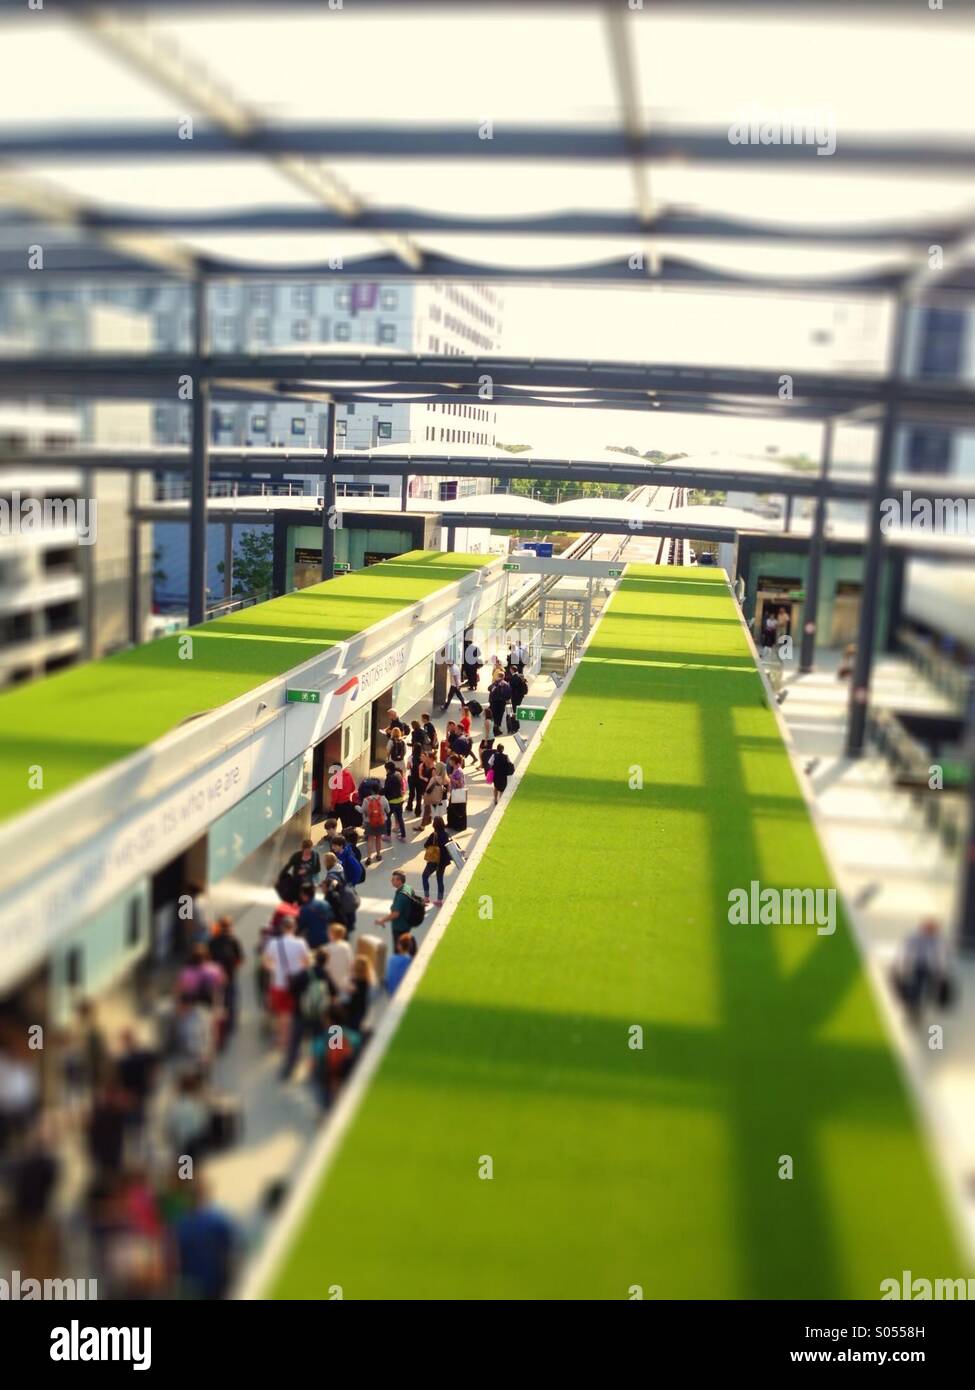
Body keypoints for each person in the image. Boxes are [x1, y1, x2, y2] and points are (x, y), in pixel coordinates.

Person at [262, 917, 311, 1050]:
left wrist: (275, 969)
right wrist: (297, 968)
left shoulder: (273, 943)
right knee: (289, 1012)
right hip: (295, 982)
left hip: (278, 982)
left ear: (282, 928)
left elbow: (265, 963)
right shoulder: (300, 943)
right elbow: (307, 962)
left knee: (281, 1013)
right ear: (294, 928)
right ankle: (288, 1038)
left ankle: (281, 1039)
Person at [896, 919, 952, 1023]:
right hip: (917, 965)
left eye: (934, 930)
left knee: (929, 989)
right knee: (915, 987)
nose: (932, 932)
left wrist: (942, 971)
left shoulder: (938, 940)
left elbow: (941, 955)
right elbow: (905, 951)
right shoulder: (913, 937)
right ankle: (913, 1008)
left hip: (932, 967)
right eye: (930, 929)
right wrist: (903, 966)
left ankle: (922, 1005)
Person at [208, 917, 244, 1039]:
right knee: (230, 1001)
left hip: (214, 978)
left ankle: (215, 1025)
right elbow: (240, 959)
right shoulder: (233, 941)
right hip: (230, 976)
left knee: (216, 1001)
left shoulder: (212, 941)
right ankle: (230, 1024)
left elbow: (208, 959)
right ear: (229, 928)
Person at [376, 870, 416, 950]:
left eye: (393, 879)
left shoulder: (401, 896)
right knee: (405, 946)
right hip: (407, 924)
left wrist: (382, 920)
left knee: (399, 949)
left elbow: (395, 914)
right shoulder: (408, 888)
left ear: (399, 881)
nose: (391, 880)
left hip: (400, 927)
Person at [422, 815, 452, 906]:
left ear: (434, 825)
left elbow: (426, 845)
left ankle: (426, 897)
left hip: (433, 860)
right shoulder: (446, 835)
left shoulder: (433, 835)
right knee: (440, 879)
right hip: (443, 862)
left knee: (425, 876)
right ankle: (439, 900)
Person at [297, 883, 332, 950]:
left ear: (304, 895)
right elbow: (331, 918)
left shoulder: (305, 909)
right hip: (326, 938)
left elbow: (300, 926)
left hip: (312, 941)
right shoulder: (325, 904)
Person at [323, 871, 359, 936]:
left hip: (342, 917)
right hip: (351, 909)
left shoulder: (332, 896)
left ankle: (346, 932)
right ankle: (349, 928)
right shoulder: (346, 887)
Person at [362, 785, 391, 863]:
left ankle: (369, 857)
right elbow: (388, 811)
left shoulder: (366, 800)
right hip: (381, 822)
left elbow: (363, 811)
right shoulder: (384, 799)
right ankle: (378, 855)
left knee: (370, 839)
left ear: (371, 791)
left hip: (369, 822)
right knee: (378, 838)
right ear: (379, 790)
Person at [328, 765, 359, 831]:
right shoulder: (348, 775)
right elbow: (353, 788)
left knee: (331, 823)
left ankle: (331, 836)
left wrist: (332, 806)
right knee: (346, 823)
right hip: (347, 803)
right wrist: (346, 794)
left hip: (338, 804)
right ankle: (346, 836)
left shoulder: (336, 778)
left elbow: (335, 795)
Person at [324, 922, 353, 992]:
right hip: (344, 979)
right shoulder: (347, 946)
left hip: (331, 979)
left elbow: (325, 965)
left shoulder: (327, 948)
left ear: (332, 934)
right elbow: (351, 962)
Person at [383, 760, 407, 841]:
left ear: (388, 769)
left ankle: (388, 835)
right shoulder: (398, 774)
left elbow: (386, 789)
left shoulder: (389, 777)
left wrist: (378, 792)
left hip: (391, 801)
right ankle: (403, 836)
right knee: (400, 818)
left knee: (388, 817)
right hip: (400, 799)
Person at [420, 760, 448, 830]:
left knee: (436, 818)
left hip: (435, 801)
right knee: (440, 817)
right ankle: (441, 829)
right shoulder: (447, 779)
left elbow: (428, 790)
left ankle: (437, 831)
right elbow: (449, 789)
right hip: (443, 801)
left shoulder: (434, 779)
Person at [446, 753, 468, 833]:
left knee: (457, 810)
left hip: (458, 792)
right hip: (454, 792)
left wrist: (452, 778)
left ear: (454, 761)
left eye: (451, 760)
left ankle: (458, 826)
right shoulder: (455, 769)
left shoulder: (459, 770)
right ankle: (451, 823)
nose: (449, 762)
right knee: (451, 809)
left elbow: (460, 783)